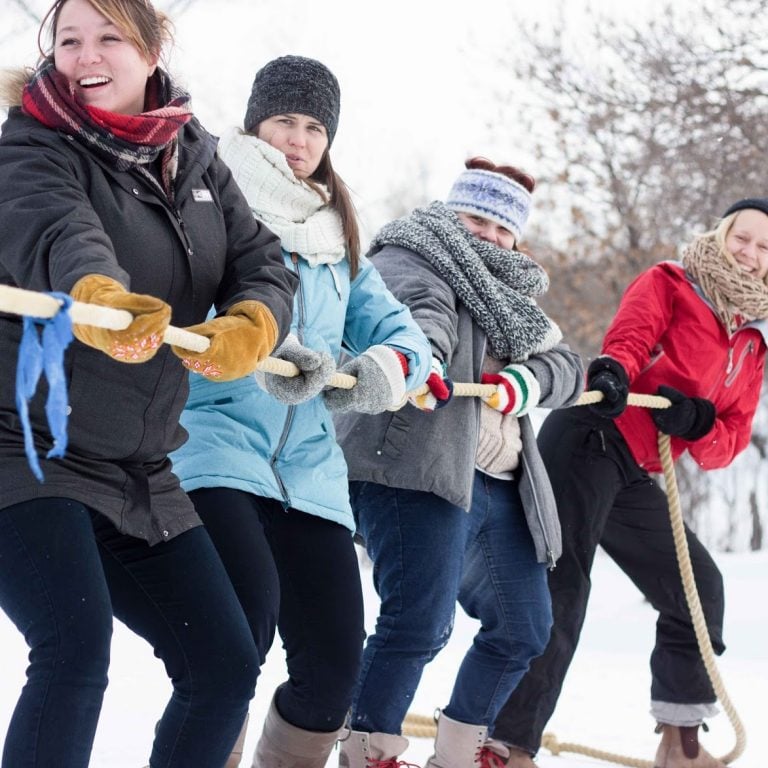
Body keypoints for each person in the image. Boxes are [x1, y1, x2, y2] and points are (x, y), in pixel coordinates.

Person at [0, 0, 297, 765]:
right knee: (72, 650)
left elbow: (261, 260)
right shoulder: (32, 143)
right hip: (26, 447)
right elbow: (58, 230)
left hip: (138, 464)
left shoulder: (193, 152)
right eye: (68, 40)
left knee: (224, 667)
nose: (85, 55)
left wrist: (253, 323)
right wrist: (98, 295)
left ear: (153, 46)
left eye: (108, 37)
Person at [169, 55, 432, 768]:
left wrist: (376, 371)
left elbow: (407, 342)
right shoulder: (209, 199)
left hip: (311, 476)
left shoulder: (336, 240)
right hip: (215, 447)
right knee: (237, 638)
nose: (299, 138)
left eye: (315, 126)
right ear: (257, 121)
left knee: (332, 677)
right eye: (285, 119)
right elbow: (189, 303)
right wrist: (270, 344)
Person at [492, 199, 768, 768]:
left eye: (765, 248)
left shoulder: (753, 342)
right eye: (743, 239)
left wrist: (699, 422)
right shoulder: (671, 282)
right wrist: (614, 372)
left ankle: (679, 742)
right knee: (564, 593)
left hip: (634, 469)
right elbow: (630, 340)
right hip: (590, 437)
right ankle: (506, 744)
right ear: (722, 236)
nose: (751, 254)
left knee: (697, 590)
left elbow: (730, 441)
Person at [333, 157, 585, 767]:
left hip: (501, 480)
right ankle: (368, 748)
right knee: (420, 622)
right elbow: (421, 319)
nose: (490, 237)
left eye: (504, 230)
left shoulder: (515, 299)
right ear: (452, 213)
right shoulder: (412, 255)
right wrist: (426, 361)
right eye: (478, 220)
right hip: (415, 465)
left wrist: (524, 381)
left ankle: (460, 753)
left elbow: (567, 363)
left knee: (524, 626)